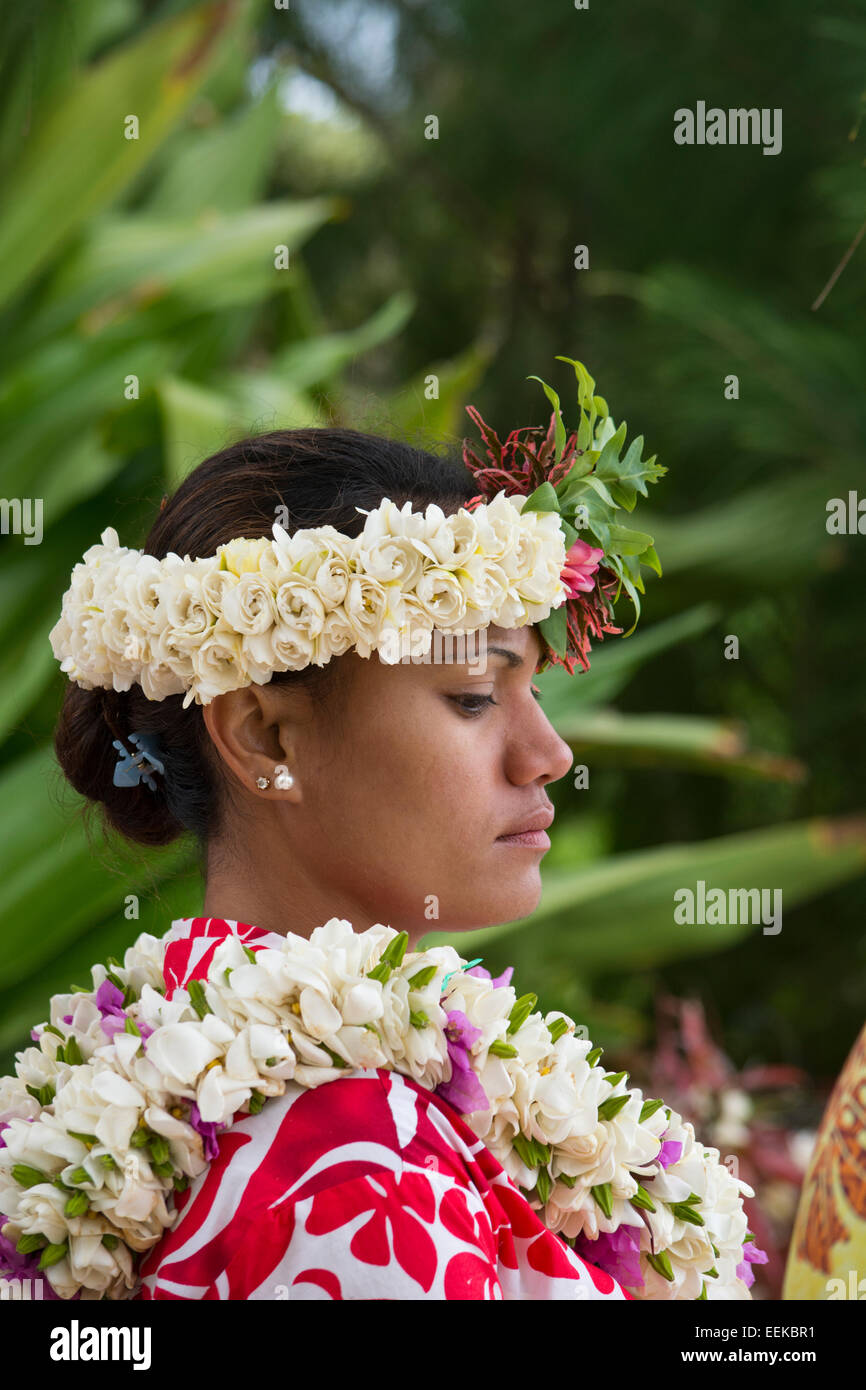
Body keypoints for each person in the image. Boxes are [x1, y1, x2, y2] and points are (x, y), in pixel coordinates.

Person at [49, 426, 633, 1301]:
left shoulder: (142, 1071)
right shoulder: (357, 1160)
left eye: (534, 693)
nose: (547, 753)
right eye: (474, 696)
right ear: (267, 737)